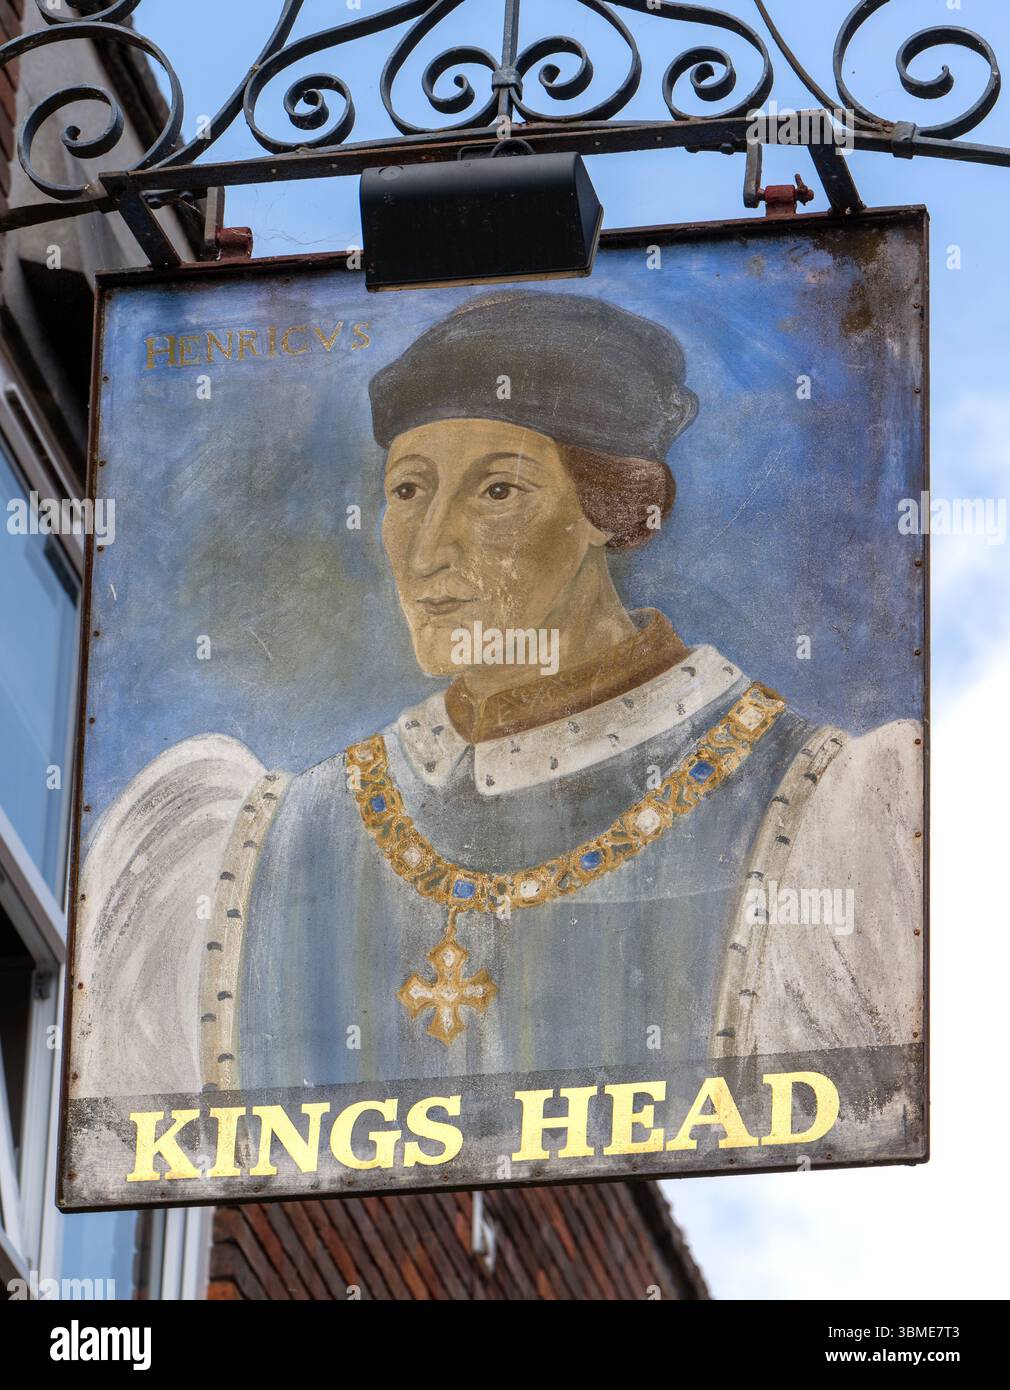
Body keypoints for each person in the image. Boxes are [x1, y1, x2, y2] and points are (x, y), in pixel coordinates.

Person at [71, 291, 922, 1103]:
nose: (432, 548)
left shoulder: (818, 814)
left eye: (497, 491)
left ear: (609, 509)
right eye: (408, 491)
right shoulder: (247, 851)